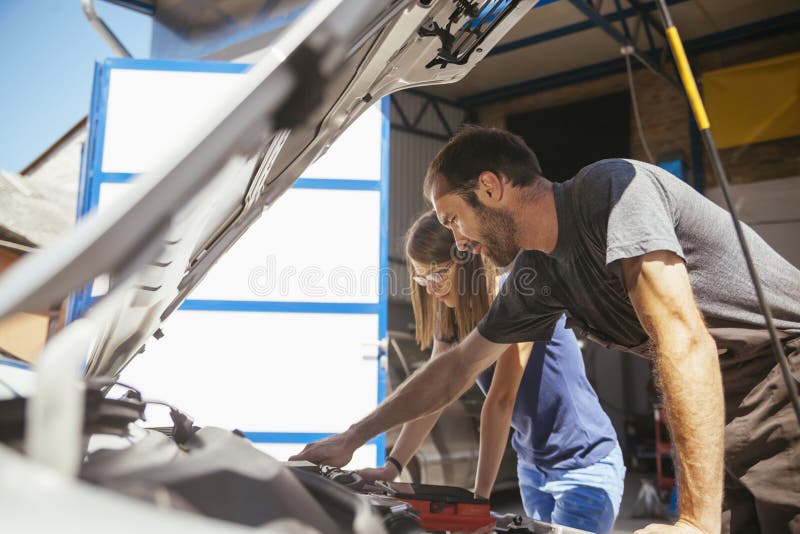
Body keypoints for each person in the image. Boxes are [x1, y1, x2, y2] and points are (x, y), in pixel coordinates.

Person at [291, 126, 800, 534]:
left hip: (786, 372)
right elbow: (458, 367)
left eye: (453, 221)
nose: (460, 244)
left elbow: (685, 341)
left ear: (490, 188)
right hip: (727, 403)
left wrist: (696, 521)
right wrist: (354, 437)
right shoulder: (538, 275)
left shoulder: (611, 193)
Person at [357, 211, 625, 533]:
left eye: (437, 275)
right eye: (421, 279)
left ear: (465, 262)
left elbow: (500, 400)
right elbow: (436, 393)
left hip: (584, 465)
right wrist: (392, 466)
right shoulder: (452, 314)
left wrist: (478, 504)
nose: (431, 289)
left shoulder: (519, 300)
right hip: (532, 466)